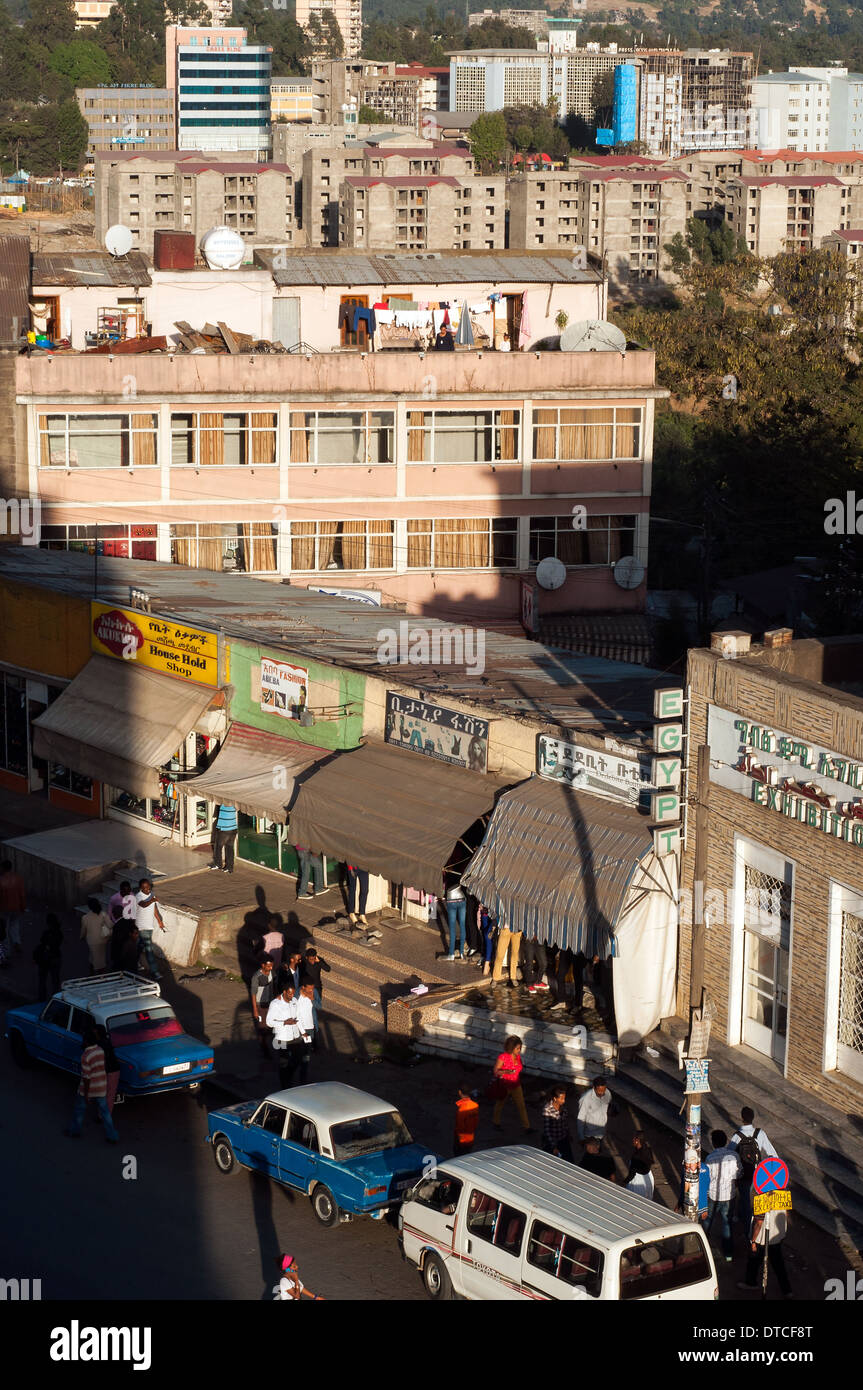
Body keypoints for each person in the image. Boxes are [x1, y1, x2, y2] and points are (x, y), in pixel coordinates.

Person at [64, 1025, 118, 1143]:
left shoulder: (85, 1056)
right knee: (105, 1113)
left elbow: (87, 1077)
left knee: (79, 1110)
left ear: (87, 1041)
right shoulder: (100, 1050)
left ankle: (74, 1131)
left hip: (88, 1089)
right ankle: (112, 1136)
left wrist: (87, 1094)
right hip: (101, 1087)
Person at [730, 1106, 777, 1224]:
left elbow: (729, 1154)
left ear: (741, 1118)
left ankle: (744, 1223)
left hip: (742, 1173)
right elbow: (773, 1154)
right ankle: (752, 1222)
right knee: (753, 1199)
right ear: (753, 1118)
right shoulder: (760, 1133)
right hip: (757, 1173)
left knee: (743, 1197)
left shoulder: (737, 1135)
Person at [703, 1129, 743, 1262]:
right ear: (726, 1141)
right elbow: (739, 1173)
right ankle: (728, 1254)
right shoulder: (734, 1156)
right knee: (727, 1224)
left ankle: (703, 1247)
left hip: (714, 1195)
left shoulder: (710, 1158)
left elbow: (707, 1178)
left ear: (713, 1143)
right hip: (730, 1195)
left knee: (708, 1220)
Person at [737, 1206, 793, 1298]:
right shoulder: (782, 1192)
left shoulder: (761, 1197)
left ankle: (751, 1283)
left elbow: (759, 1223)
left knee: (753, 1261)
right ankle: (787, 1290)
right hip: (776, 1236)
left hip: (761, 1238)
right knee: (778, 1264)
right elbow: (786, 1213)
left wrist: (753, 1241)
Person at [491, 1035, 532, 1134]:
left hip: (516, 1085)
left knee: (521, 1105)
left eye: (520, 1048)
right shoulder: (503, 1057)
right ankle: (496, 1122)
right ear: (511, 1048)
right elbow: (496, 1071)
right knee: (500, 1105)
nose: (519, 1050)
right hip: (505, 1085)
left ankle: (527, 1127)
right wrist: (506, 1072)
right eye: (518, 1048)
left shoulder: (518, 1057)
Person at [266, 983, 303, 1089]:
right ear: (284, 992)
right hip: (282, 1037)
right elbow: (269, 1022)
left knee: (297, 1058)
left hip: (295, 1035)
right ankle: (284, 1086)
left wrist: (302, 1031)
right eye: (290, 993)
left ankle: (289, 1076)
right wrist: (284, 1022)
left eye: (293, 993)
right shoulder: (275, 1004)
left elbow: (298, 1016)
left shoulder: (295, 1001)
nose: (292, 995)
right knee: (283, 1062)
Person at [135, 878, 167, 979]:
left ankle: (134, 963)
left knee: (139, 946)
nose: (148, 889)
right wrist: (152, 899)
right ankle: (155, 972)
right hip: (140, 926)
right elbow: (143, 905)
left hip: (149, 926)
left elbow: (154, 909)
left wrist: (160, 921)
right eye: (145, 887)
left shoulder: (151, 894)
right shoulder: (138, 896)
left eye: (149, 887)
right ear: (141, 888)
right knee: (149, 949)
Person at [250, 957, 277, 1057]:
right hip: (260, 1006)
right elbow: (253, 994)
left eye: (272, 966)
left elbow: (273, 987)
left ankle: (267, 1043)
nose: (270, 968)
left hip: (269, 1004)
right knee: (262, 1028)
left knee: (269, 1026)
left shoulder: (272, 973)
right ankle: (264, 1049)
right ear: (263, 965)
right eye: (269, 966)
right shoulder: (256, 977)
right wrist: (255, 1010)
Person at [301, 946, 330, 1034]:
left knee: (315, 1007)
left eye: (314, 958)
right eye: (311, 959)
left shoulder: (318, 961)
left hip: (317, 987)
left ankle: (314, 1027)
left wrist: (319, 961)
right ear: (307, 958)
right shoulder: (304, 963)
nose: (312, 961)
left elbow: (328, 969)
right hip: (306, 988)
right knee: (307, 1008)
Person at [0, 859, 26, 953]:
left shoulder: (1, 880)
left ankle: (7, 950)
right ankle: (16, 942)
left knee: (4, 929)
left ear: (3, 868)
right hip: (16, 907)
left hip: (4, 908)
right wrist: (23, 907)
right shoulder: (18, 879)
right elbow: (22, 895)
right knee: (15, 925)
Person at [80, 897, 112, 973]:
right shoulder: (103, 914)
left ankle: (97, 972)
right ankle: (96, 970)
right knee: (100, 956)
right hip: (103, 939)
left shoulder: (85, 918)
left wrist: (81, 937)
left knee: (95, 957)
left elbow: (83, 931)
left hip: (91, 941)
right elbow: (110, 925)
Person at [95, 1023, 122, 1115]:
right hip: (112, 1070)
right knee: (109, 1094)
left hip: (109, 1071)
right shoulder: (107, 1042)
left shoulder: (101, 1044)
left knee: (105, 1094)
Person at [542, 1086, 573, 1162]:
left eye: (564, 1098)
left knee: (569, 1161)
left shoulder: (564, 1108)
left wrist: (568, 1134)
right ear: (555, 1098)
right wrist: (553, 1147)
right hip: (552, 1141)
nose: (564, 1101)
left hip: (563, 1139)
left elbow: (565, 1124)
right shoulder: (547, 1110)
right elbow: (547, 1131)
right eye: (561, 1098)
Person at [34, 917, 63, 998]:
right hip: (55, 957)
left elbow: (42, 941)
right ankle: (55, 997)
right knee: (55, 979)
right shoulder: (59, 933)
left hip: (45, 959)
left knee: (42, 979)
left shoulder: (46, 933)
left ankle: (42, 996)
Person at [577, 1077, 612, 1143]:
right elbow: (580, 1118)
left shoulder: (608, 1093)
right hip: (590, 1135)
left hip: (601, 1132)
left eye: (603, 1090)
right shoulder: (585, 1098)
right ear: (594, 1088)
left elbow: (608, 1104)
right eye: (599, 1091)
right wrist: (581, 1138)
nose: (602, 1093)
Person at [491, 916, 522, 987]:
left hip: (518, 929)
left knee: (515, 954)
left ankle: (513, 977)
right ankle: (495, 978)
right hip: (506, 928)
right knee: (500, 954)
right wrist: (494, 924)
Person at [295, 982, 316, 1084]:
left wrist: (312, 998)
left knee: (306, 1055)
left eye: (312, 989)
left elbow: (318, 1006)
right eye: (309, 989)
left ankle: (303, 1078)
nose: (311, 991)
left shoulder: (312, 994)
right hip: (301, 1030)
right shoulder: (297, 998)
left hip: (310, 1028)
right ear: (303, 987)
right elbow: (296, 1016)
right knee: (299, 1054)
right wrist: (303, 1032)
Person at [210, 803, 238, 873]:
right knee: (229, 848)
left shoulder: (222, 804)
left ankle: (217, 864)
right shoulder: (234, 804)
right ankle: (229, 867)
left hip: (224, 829)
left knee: (218, 847)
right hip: (233, 828)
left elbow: (216, 814)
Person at [454, 1081, 479, 1156]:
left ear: (460, 1092)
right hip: (471, 1138)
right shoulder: (475, 1105)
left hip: (462, 1140)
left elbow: (460, 1127)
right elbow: (476, 1122)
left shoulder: (462, 1110)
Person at [444, 881, 467, 961]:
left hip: (451, 898)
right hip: (461, 898)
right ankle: (461, 953)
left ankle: (451, 954)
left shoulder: (447, 869)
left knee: (452, 927)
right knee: (462, 925)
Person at [477, 903, 497, 977]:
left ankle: (487, 962)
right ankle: (487, 956)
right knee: (485, 936)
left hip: (494, 915)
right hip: (484, 912)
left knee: (488, 936)